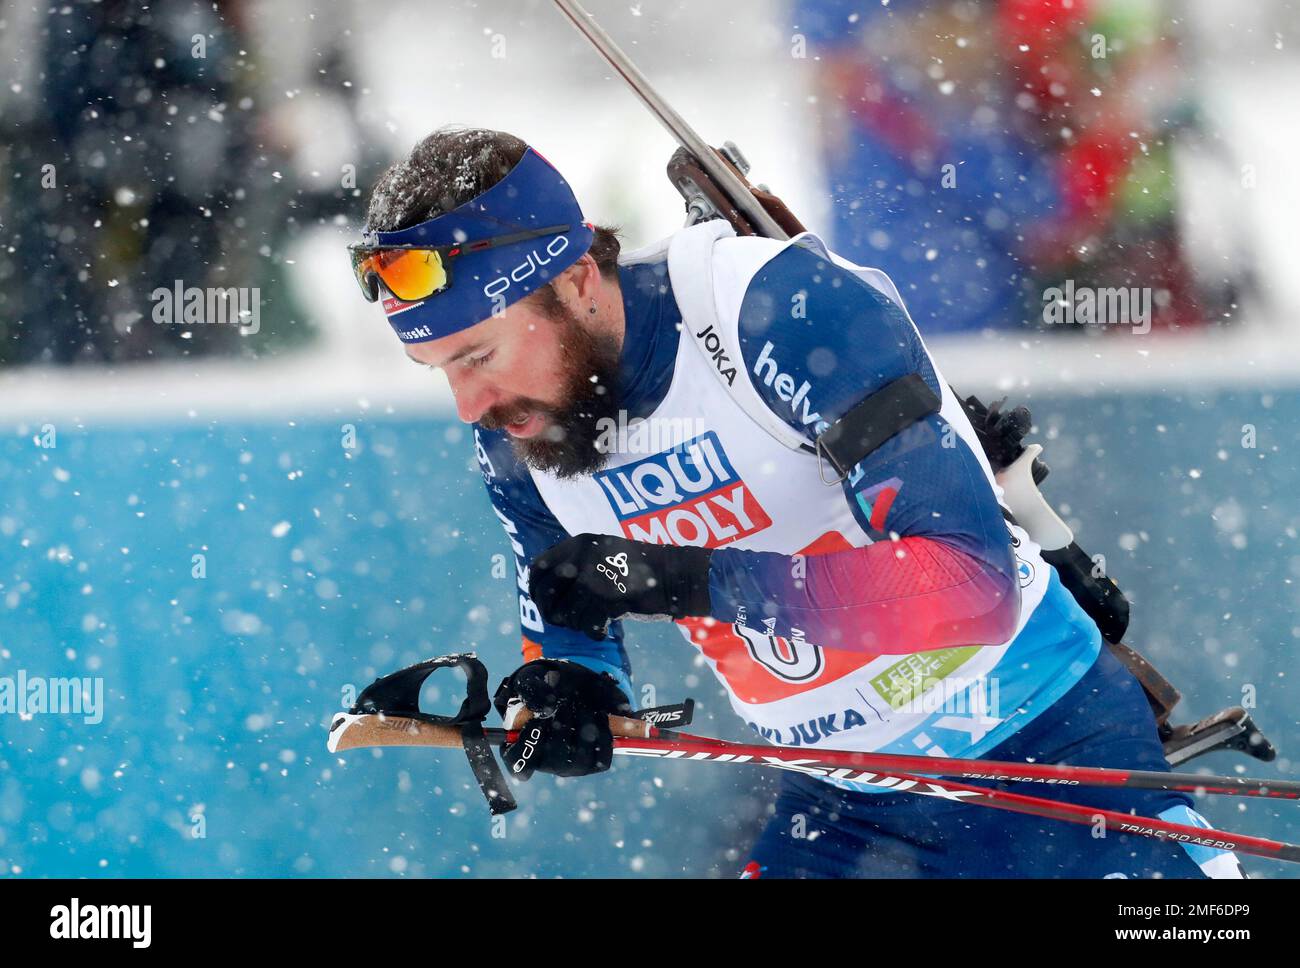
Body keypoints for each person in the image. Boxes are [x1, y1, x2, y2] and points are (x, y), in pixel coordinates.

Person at [348, 126, 1242, 878]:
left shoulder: (771, 310)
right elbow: (571, 612)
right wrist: (571, 690)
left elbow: (971, 590)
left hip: (1050, 757)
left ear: (579, 277)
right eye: (440, 371)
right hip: (848, 807)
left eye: (478, 355)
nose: (468, 404)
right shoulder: (521, 423)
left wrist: (685, 579)